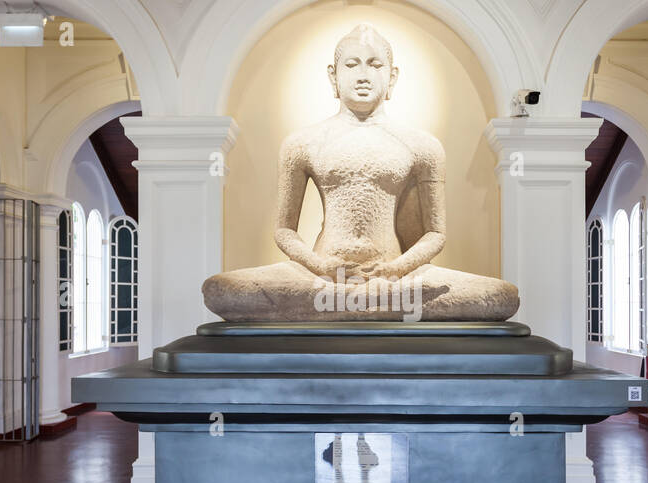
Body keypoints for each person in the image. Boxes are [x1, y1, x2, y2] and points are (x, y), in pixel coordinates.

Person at [201, 23, 519, 322]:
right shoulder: (302, 143)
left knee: (502, 296)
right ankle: (369, 305)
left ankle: (349, 305)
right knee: (221, 290)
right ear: (333, 76)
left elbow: (435, 234)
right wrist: (321, 266)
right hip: (321, 276)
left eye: (375, 64)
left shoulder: (423, 146)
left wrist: (394, 270)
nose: (363, 75)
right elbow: (285, 231)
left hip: (395, 276)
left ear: (392, 77)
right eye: (352, 65)